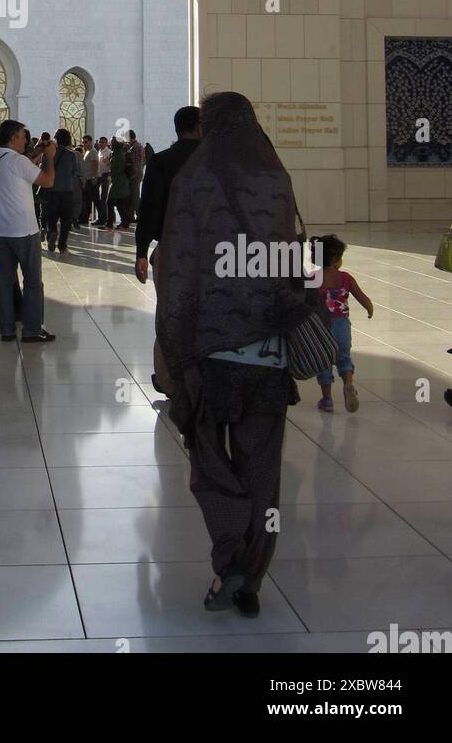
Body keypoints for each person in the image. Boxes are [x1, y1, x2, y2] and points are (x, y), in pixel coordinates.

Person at [157, 92, 311, 619]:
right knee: (262, 470)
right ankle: (251, 577)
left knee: (210, 462)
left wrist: (176, 350)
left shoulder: (194, 180)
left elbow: (176, 271)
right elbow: (293, 259)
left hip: (212, 349)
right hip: (267, 352)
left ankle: (230, 556)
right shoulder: (276, 178)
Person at [135, 105, 203, 394]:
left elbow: (148, 209)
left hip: (172, 249)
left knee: (168, 314)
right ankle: (202, 376)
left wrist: (141, 251)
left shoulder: (162, 161)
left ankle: (167, 380)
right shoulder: (214, 162)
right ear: (200, 127)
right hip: (212, 252)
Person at [0, 121, 57, 342]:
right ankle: (32, 329)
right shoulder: (18, 161)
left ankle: (6, 328)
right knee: (33, 282)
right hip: (24, 231)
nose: (26, 140)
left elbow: (18, 172)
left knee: (5, 281)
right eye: (23, 136)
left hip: (0, 231)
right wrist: (50, 156)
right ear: (13, 137)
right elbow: (48, 180)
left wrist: (38, 153)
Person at [311, 234, 373, 413]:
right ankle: (348, 384)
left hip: (321, 326)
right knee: (344, 357)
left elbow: (305, 300)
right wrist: (369, 308)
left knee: (324, 361)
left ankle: (327, 399)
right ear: (336, 259)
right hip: (342, 325)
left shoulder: (313, 278)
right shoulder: (345, 278)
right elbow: (363, 298)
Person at [40, 128, 80, 254]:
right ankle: (62, 245)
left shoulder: (48, 153)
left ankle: (52, 232)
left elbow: (44, 169)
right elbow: (75, 172)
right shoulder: (71, 155)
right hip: (67, 190)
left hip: (51, 189)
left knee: (51, 215)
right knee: (65, 219)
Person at [106, 134, 132, 230]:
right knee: (119, 203)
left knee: (112, 202)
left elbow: (116, 169)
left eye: (112, 142)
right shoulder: (117, 153)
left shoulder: (118, 155)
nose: (111, 143)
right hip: (119, 182)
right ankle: (124, 221)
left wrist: (109, 168)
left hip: (119, 182)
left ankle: (115, 222)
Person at [78, 135, 99, 224]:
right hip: (87, 179)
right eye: (83, 142)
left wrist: (94, 176)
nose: (84, 144)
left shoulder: (93, 152)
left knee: (95, 199)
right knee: (87, 200)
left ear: (90, 142)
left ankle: (102, 217)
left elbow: (95, 164)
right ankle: (84, 218)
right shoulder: (87, 151)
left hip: (91, 179)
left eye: (85, 142)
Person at [127, 130, 145, 221]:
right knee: (132, 195)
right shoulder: (136, 146)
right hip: (137, 172)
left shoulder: (135, 147)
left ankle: (140, 215)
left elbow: (137, 163)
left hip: (135, 173)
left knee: (135, 195)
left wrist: (133, 174)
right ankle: (131, 215)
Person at [94, 135, 112, 225]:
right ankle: (102, 216)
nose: (100, 144)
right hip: (99, 175)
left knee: (103, 197)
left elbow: (110, 165)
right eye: (100, 142)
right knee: (97, 196)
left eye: (102, 142)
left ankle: (104, 218)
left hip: (105, 175)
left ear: (106, 143)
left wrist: (108, 163)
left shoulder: (109, 152)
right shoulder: (99, 152)